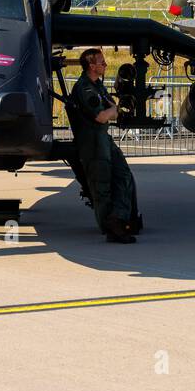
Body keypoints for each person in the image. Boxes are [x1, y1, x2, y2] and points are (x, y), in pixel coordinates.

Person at [68, 48, 139, 244]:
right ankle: (111, 228)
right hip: (91, 141)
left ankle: (119, 218)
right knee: (102, 186)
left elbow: (110, 108)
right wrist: (114, 110)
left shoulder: (97, 85)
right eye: (102, 62)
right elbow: (101, 116)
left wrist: (112, 110)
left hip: (102, 138)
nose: (105, 65)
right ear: (92, 66)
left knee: (123, 175)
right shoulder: (86, 88)